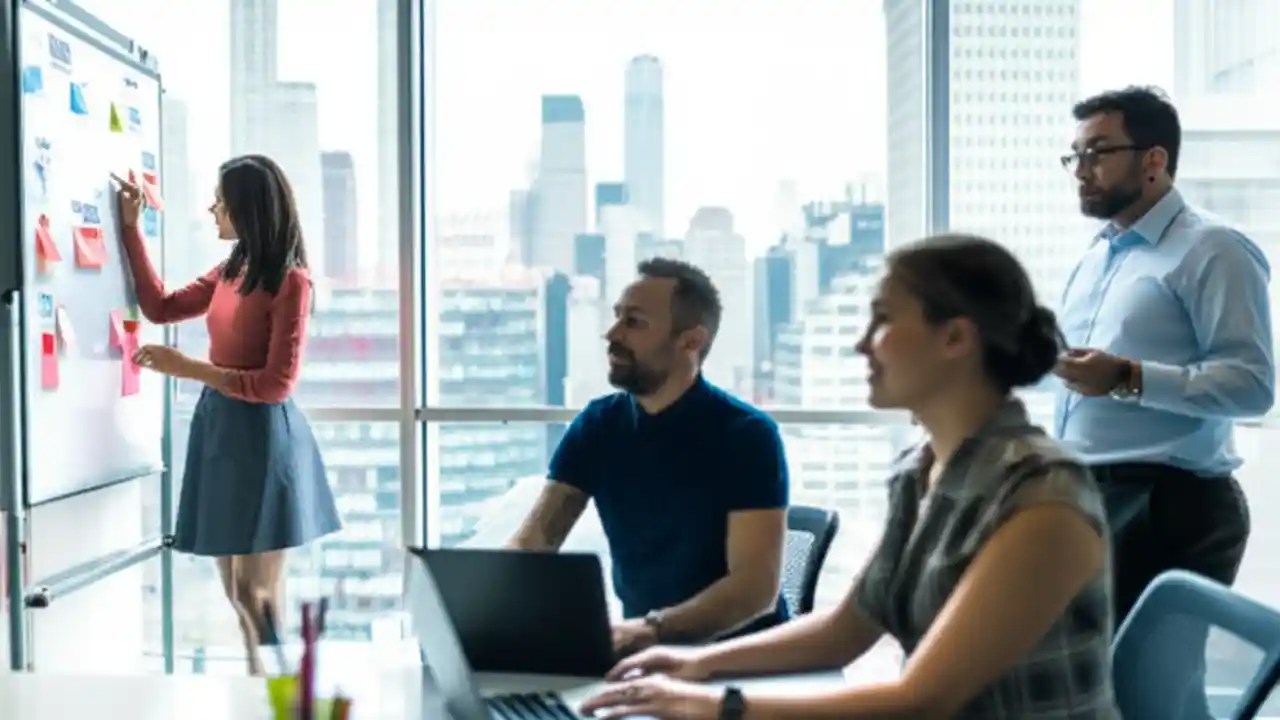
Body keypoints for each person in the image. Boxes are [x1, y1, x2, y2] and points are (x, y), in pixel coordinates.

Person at [579, 236, 1119, 720]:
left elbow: (921, 701)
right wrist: (694, 665)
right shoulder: (920, 474)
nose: (863, 344)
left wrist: (716, 706)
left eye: (882, 320)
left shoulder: (1043, 497)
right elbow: (845, 630)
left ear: (955, 337)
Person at [1054, 87, 1273, 717]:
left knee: (1149, 695)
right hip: (1090, 495)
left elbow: (1252, 383)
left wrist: (1127, 376)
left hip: (1168, 502)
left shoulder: (1214, 249)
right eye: (1074, 156)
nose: (1082, 170)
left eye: (1097, 152)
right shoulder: (1098, 258)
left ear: (1153, 159)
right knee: (1098, 689)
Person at [113, 156, 341, 675]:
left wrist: (188, 368)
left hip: (263, 438)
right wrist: (130, 229)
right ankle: (263, 689)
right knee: (236, 592)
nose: (212, 208)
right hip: (220, 431)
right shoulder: (230, 271)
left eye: (221, 200)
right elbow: (160, 306)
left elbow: (277, 383)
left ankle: (282, 694)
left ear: (248, 208)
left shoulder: (290, 281)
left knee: (256, 593)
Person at [507, 258, 790, 657]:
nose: (612, 334)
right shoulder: (599, 424)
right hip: (645, 654)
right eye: (617, 316)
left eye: (634, 323)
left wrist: (651, 630)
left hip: (738, 660)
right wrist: (482, 608)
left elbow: (754, 589)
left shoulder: (747, 435)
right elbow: (536, 541)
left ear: (690, 341)